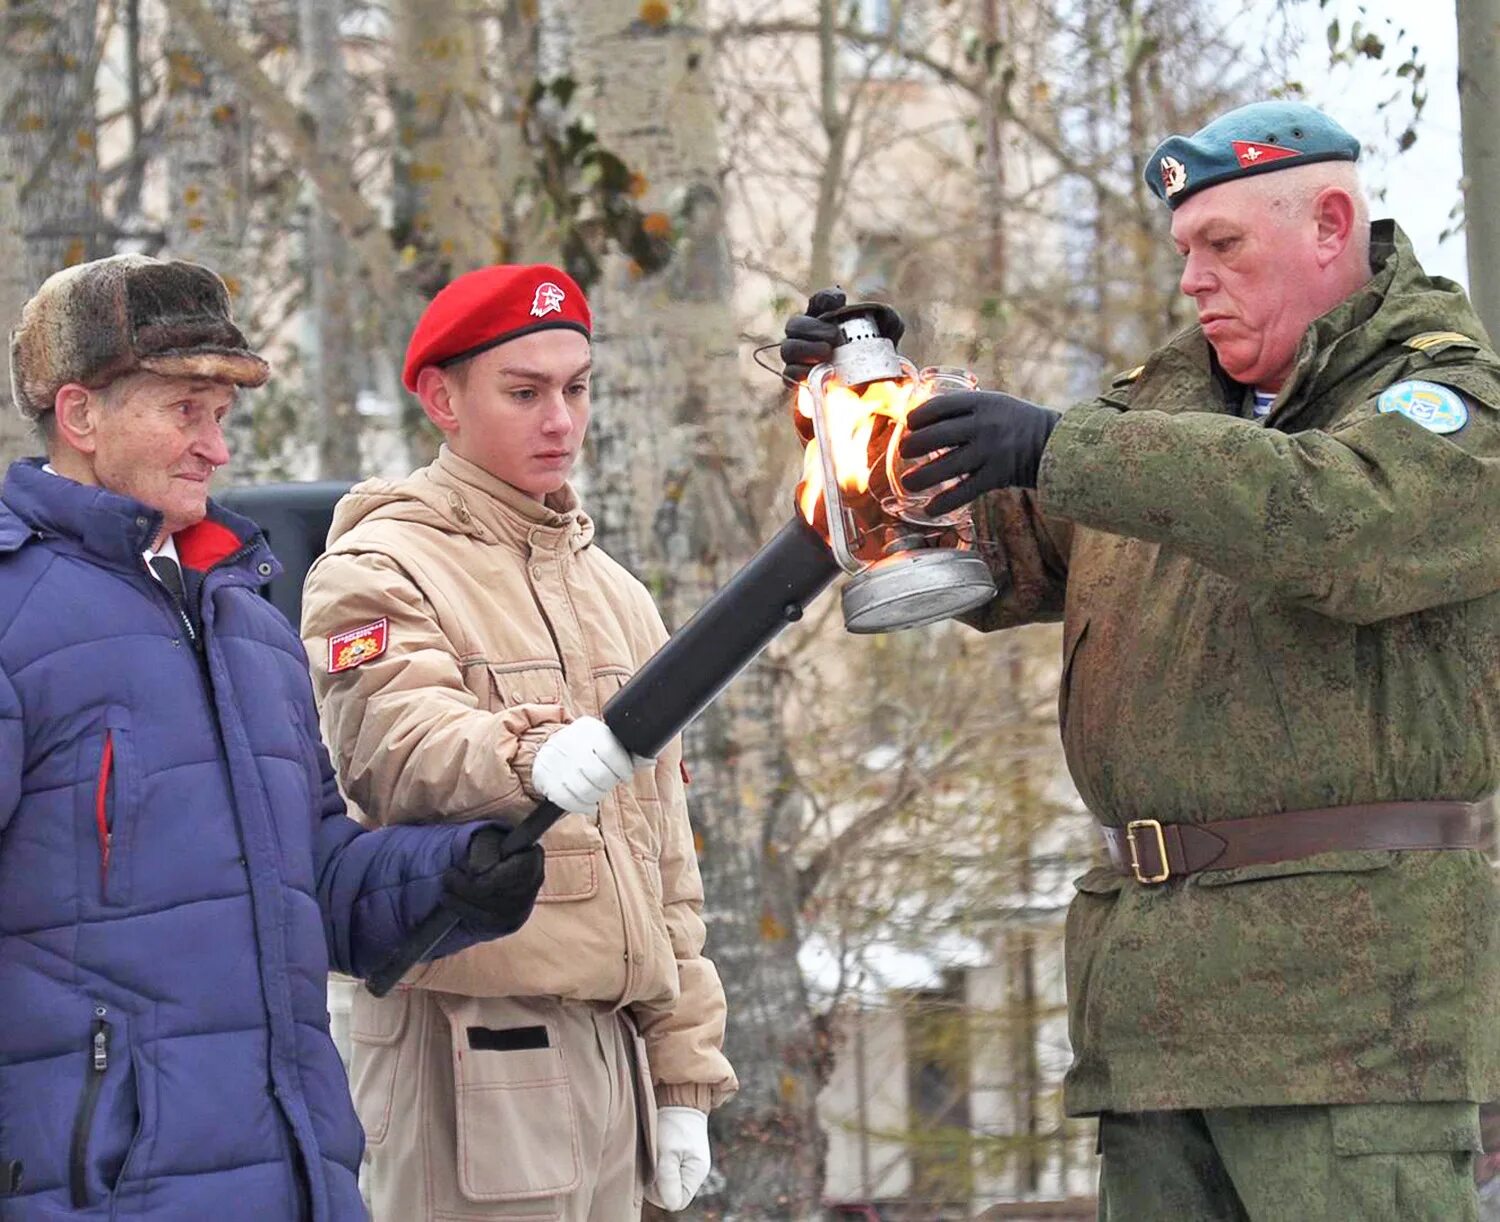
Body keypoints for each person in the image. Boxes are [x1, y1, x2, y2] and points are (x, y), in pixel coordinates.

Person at [783, 100, 1500, 1220]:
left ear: (1329, 222)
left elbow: (1334, 520)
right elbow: (989, 554)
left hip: (1350, 1022)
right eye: (1183, 254)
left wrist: (1061, 446)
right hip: (1155, 1016)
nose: (1194, 283)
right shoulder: (1155, 405)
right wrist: (868, 408)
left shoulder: (1447, 403)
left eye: (1225, 247)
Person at [0, 253, 546, 1221]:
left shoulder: (250, 624)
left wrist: (454, 872)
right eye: (185, 411)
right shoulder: (13, 618)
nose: (216, 447)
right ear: (80, 416)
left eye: (223, 415)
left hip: (300, 1182)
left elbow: (315, 881)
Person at [299, 263, 737, 1221]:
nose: (561, 421)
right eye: (524, 392)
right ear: (440, 398)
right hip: (461, 1046)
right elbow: (394, 744)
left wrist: (684, 1074)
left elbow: (664, 860)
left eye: (576, 389)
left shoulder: (616, 594)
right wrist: (525, 753)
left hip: (609, 1054)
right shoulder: (378, 565)